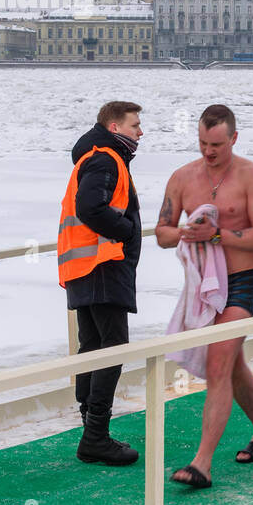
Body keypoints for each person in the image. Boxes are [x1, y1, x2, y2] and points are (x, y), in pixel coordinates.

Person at [157, 105, 253, 489]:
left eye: (216, 144)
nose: (208, 151)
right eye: (202, 143)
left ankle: (202, 464)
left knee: (218, 363)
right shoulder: (182, 177)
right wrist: (184, 233)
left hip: (243, 281)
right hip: (204, 286)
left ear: (233, 139)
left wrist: (216, 236)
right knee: (232, 362)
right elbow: (161, 232)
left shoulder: (251, 176)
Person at [58, 100, 145, 466]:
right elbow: (90, 207)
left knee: (93, 345)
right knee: (112, 345)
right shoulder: (106, 158)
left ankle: (90, 431)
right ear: (114, 128)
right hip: (102, 263)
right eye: (135, 125)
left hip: (85, 266)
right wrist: (125, 231)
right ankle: (95, 435)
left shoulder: (97, 156)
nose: (141, 132)